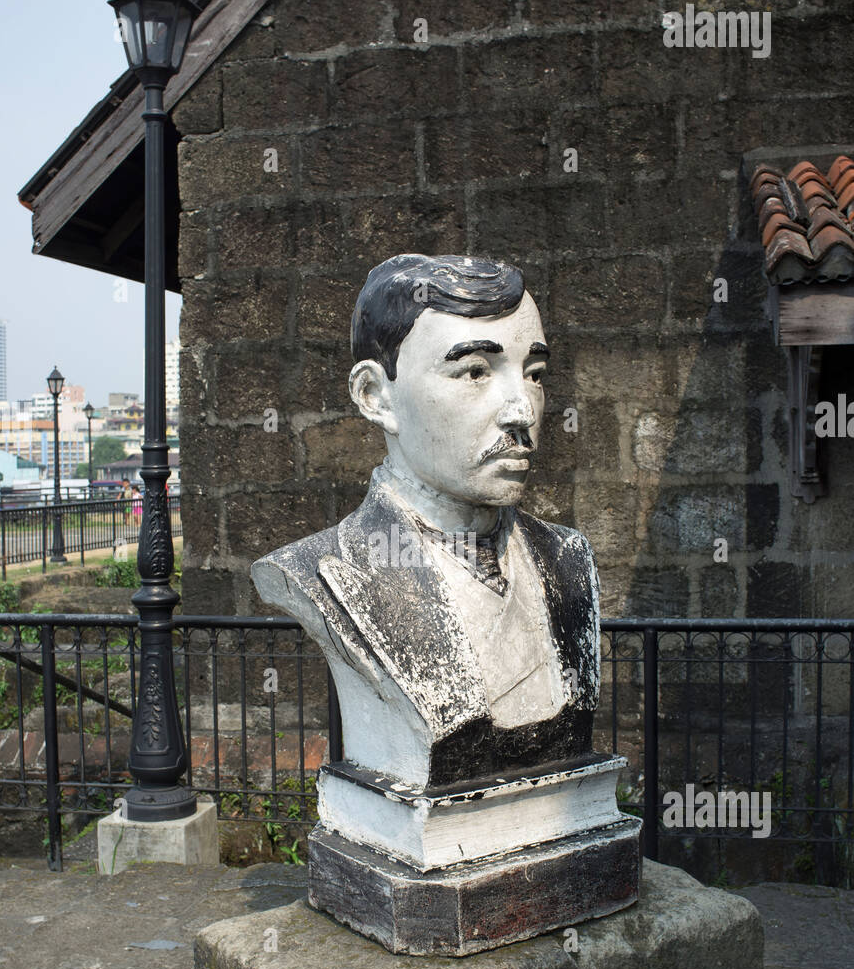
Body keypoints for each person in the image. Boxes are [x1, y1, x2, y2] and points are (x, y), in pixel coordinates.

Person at [252, 254, 600, 790]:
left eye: (534, 375)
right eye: (475, 372)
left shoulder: (568, 559)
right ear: (375, 396)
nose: (521, 412)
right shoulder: (320, 570)